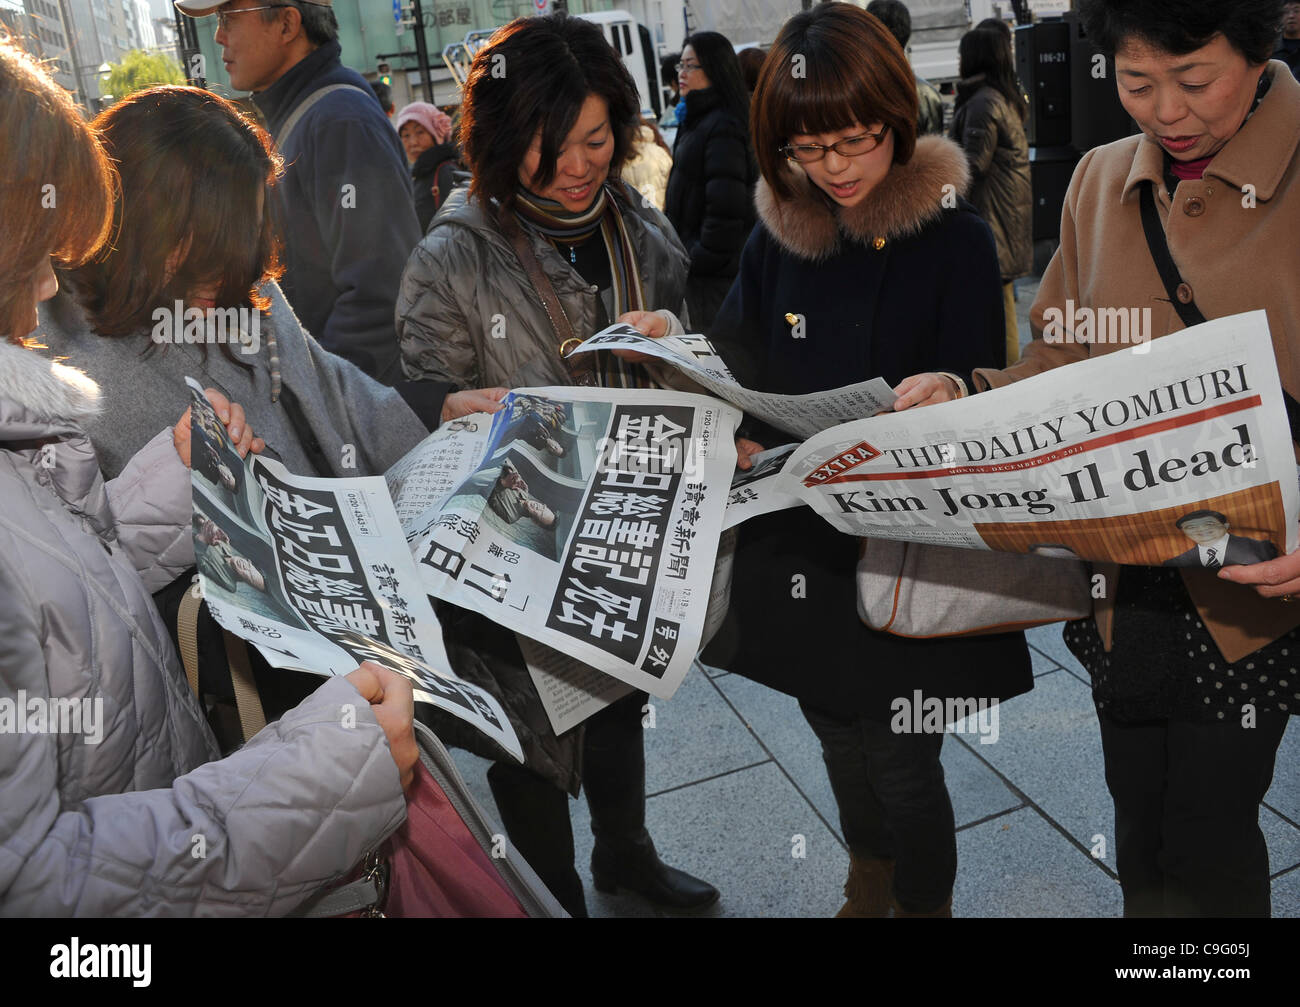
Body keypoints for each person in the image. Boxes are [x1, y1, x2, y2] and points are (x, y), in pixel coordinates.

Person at [0, 37, 417, 916]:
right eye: (37, 251)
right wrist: (322, 765)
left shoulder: (245, 304)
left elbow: (79, 574)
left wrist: (176, 482)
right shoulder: (68, 381)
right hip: (253, 740)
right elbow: (38, 881)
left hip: (220, 766)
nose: (45, 286)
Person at [917, 0, 1300, 917]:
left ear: (1258, 51)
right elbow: (1060, 357)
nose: (1166, 111)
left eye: (1194, 79)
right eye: (1137, 83)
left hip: (1256, 580)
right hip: (1129, 577)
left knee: (1212, 831)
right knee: (1139, 818)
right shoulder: (1097, 181)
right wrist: (968, 394)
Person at [690, 3, 1032, 917]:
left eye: (855, 139)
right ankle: (867, 875)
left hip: (903, 548)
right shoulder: (780, 235)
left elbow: (982, 379)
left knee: (901, 756)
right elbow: (736, 364)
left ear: (897, 115)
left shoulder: (954, 235)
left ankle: (921, 901)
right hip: (802, 545)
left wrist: (952, 389)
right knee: (835, 732)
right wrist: (716, 402)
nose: (834, 167)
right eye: (809, 149)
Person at [396, 12, 718, 917]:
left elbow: (697, 363)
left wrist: (680, 350)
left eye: (595, 138)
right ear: (502, 141)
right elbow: (416, 409)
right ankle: (556, 896)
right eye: (548, 146)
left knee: (615, 705)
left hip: (621, 531)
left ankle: (626, 855)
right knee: (526, 745)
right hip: (510, 558)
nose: (578, 166)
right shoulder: (450, 259)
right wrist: (445, 411)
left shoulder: (641, 235)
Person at [174, 0, 420, 385]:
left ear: (288, 24)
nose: (220, 36)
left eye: (228, 19)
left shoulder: (339, 119)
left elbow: (379, 294)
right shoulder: (309, 114)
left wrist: (316, 403)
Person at [663, 32, 757, 333]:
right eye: (681, 65)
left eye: (691, 66)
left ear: (715, 69)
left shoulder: (723, 126)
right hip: (699, 273)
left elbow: (726, 207)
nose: (682, 74)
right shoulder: (697, 119)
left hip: (716, 278)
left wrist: (696, 257)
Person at [949, 26, 1033, 364]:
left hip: (994, 218)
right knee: (1003, 305)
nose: (958, 60)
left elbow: (972, 164)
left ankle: (1006, 380)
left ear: (974, 58)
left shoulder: (984, 103)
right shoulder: (1001, 97)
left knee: (1000, 311)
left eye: (962, 54)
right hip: (1004, 216)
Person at [868, 0, 946, 135]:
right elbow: (935, 151)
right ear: (907, 33)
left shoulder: (854, 91)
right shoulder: (927, 94)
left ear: (868, 34)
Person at [396, 101, 462, 231]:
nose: (413, 142)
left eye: (420, 132)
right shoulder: (415, 174)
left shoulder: (446, 172)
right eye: (406, 135)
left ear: (436, 134)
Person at [1163, 511, 1279, 568]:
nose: (1201, 530)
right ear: (1184, 532)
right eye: (1191, 527)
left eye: (1209, 523)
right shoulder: (1175, 563)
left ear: (1226, 526)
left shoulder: (1262, 548)